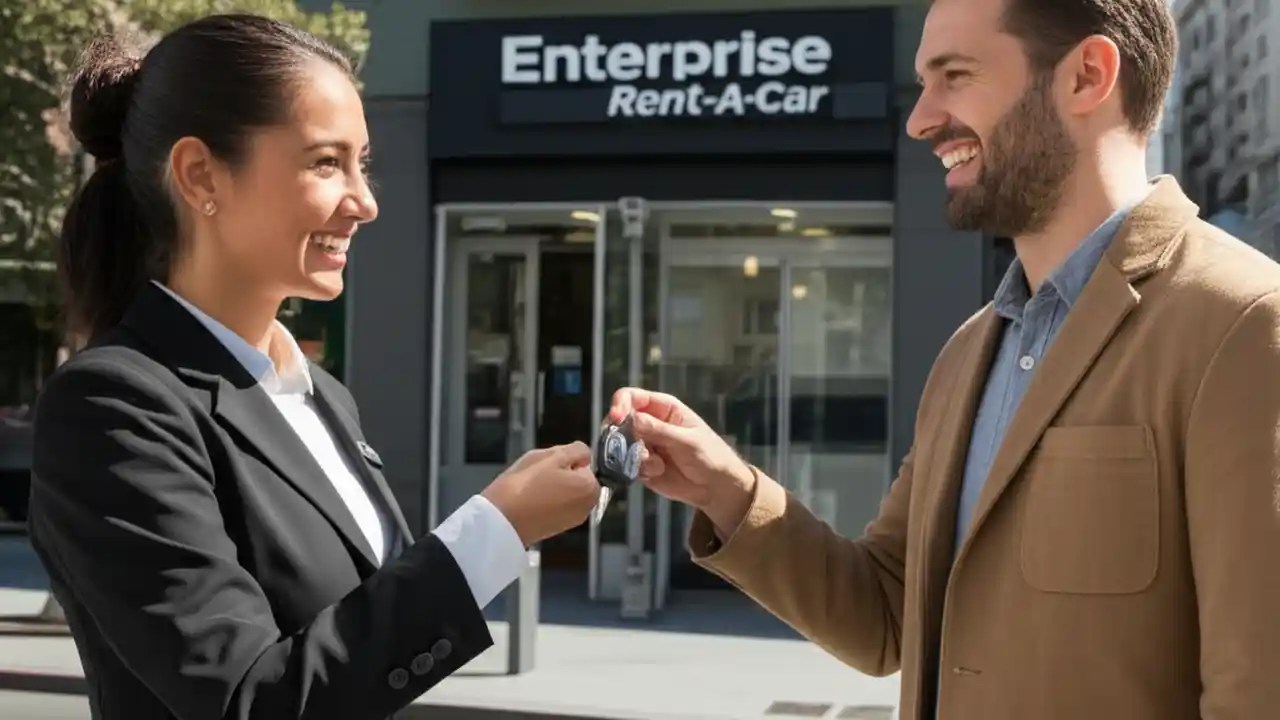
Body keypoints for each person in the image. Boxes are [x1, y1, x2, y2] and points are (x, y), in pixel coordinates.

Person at [612, 0, 1280, 717]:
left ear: (1087, 75)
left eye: (954, 76)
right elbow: (885, 614)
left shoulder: (1243, 325)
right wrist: (729, 492)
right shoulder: (970, 351)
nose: (920, 119)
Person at [28, 14, 600, 720]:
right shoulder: (113, 405)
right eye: (326, 163)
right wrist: (493, 531)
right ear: (200, 175)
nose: (364, 201)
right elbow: (251, 700)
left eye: (363, 162)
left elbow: (360, 642)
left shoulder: (318, 395)